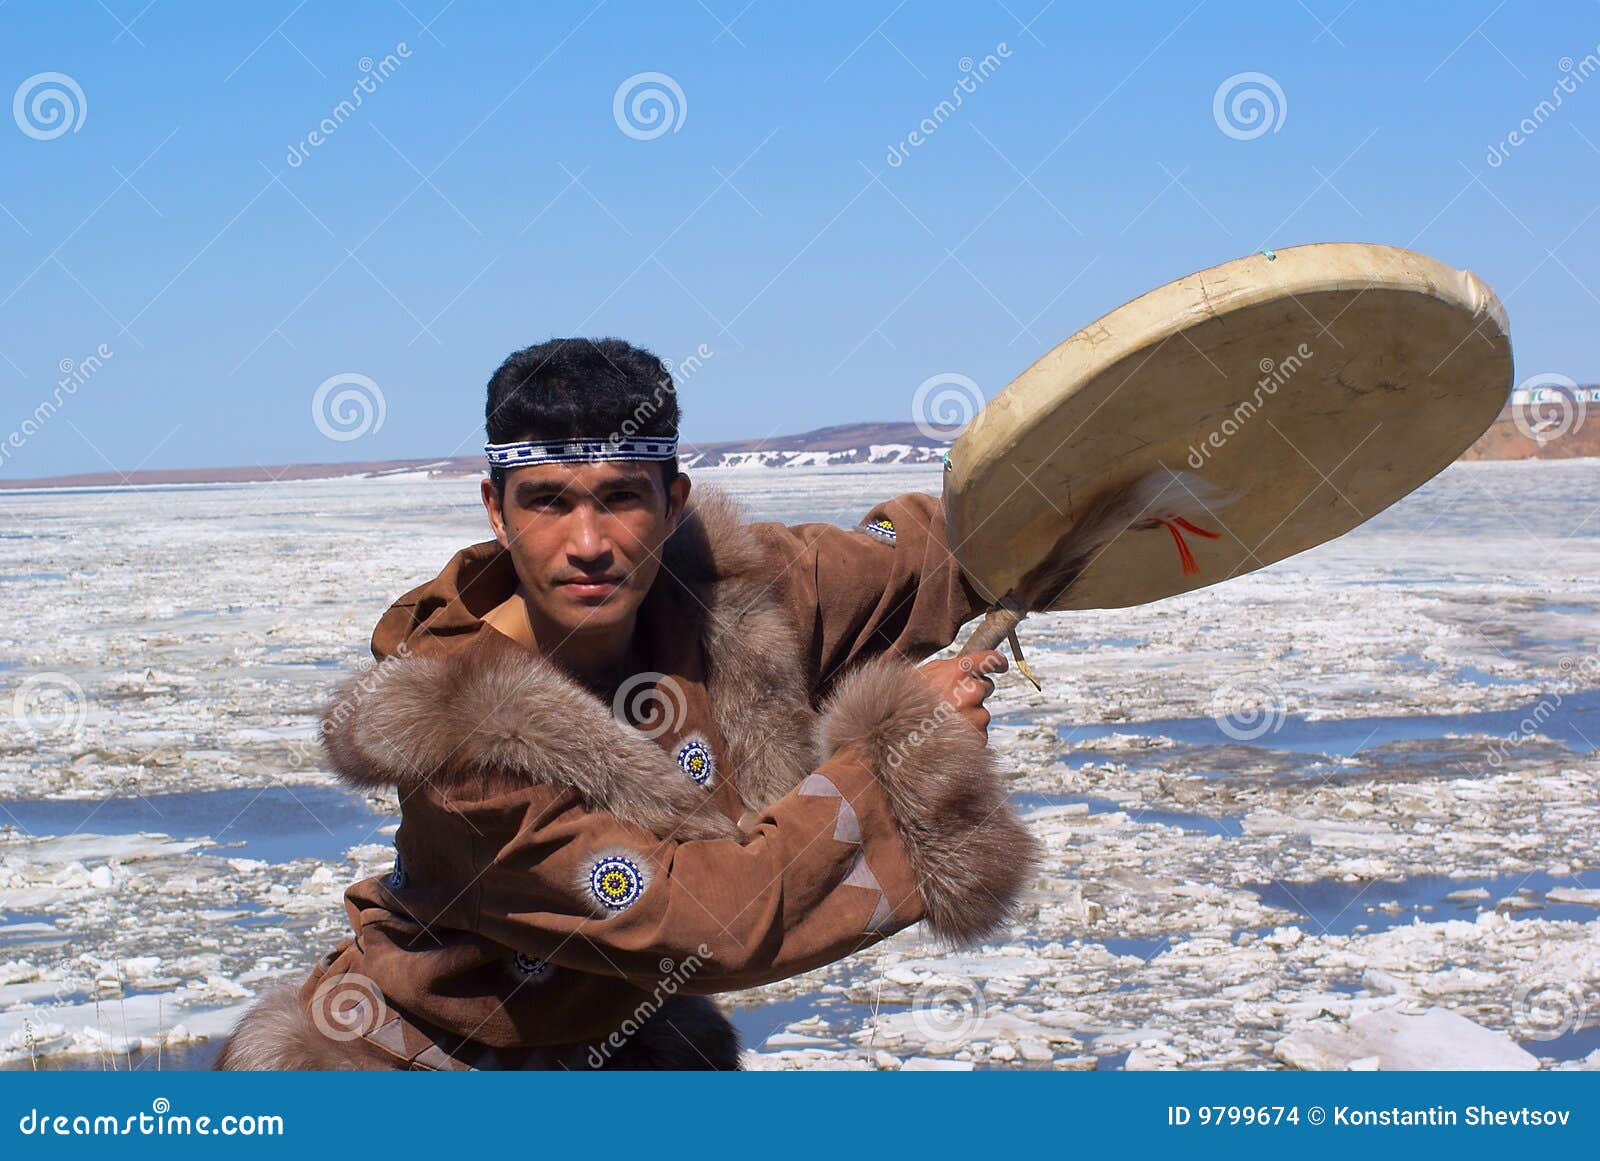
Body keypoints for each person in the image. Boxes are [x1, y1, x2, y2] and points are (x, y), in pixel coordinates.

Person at [215, 337, 1038, 1070]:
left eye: (620, 496)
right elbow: (710, 919)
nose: (588, 543)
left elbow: (925, 553)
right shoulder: (464, 749)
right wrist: (893, 752)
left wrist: (1091, 490)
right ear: (495, 510)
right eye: (547, 500)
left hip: (613, 1047)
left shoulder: (719, 594)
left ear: (672, 504)